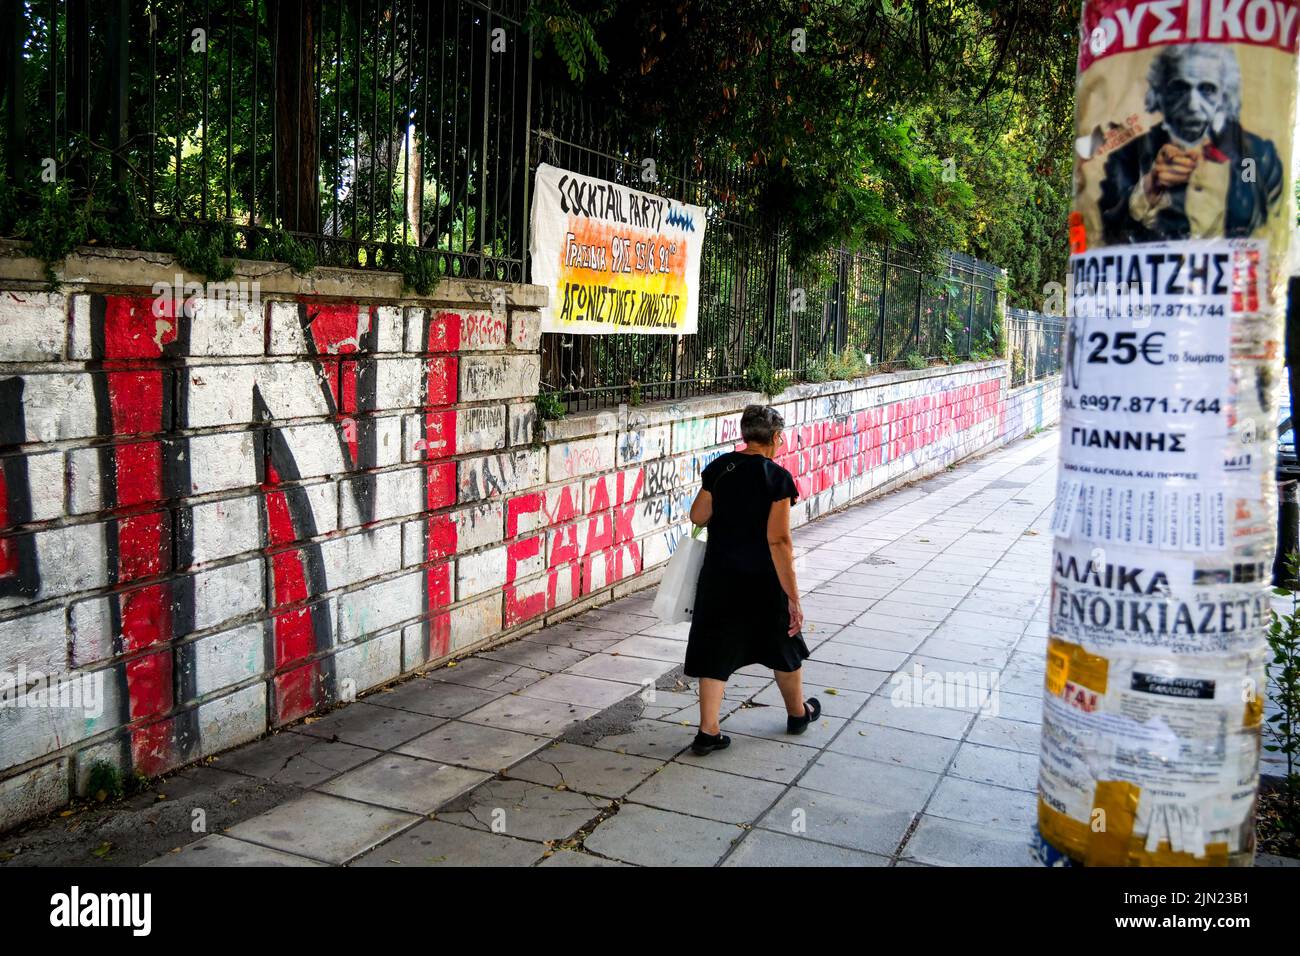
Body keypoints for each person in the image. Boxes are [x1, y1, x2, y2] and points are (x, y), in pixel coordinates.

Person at [683, 404, 817, 756]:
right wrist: (793, 596)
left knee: (716, 646)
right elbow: (779, 541)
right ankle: (797, 714)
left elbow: (698, 515)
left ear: (745, 434)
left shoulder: (720, 468)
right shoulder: (776, 478)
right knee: (784, 644)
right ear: (775, 438)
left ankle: (708, 731)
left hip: (719, 576)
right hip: (762, 579)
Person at [1098, 44, 1282, 245]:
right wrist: (1150, 188)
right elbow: (1104, 232)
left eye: (1207, 89)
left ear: (1224, 97)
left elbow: (1272, 231)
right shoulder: (1126, 157)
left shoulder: (1260, 156)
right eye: (1179, 88)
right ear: (1159, 95)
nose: (1193, 105)